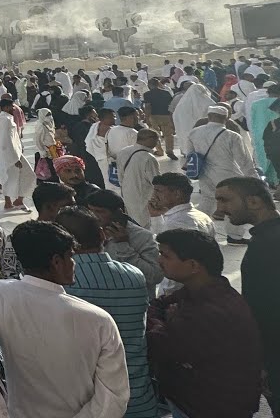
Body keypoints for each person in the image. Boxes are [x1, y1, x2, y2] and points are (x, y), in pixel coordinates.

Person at [0, 221, 129, 418]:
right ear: (56, 262)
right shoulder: (98, 319)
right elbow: (113, 397)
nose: (74, 263)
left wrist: (0, 410)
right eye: (70, 256)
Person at [53, 208, 159, 418]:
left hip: (85, 406)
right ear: (102, 235)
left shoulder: (59, 285)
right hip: (137, 399)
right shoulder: (134, 277)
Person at [147, 228, 264, 418]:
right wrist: (165, 317)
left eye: (166, 256)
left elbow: (159, 343)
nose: (159, 260)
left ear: (193, 265)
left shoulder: (211, 310)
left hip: (209, 406)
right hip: (197, 400)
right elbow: (159, 304)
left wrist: (164, 320)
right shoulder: (201, 291)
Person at [215, 176, 280, 411]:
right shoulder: (265, 238)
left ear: (253, 201)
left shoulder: (269, 243)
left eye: (225, 200)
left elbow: (265, 308)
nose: (220, 209)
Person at [187, 104, 254, 244]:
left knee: (207, 201)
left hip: (204, 174)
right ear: (226, 119)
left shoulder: (194, 133)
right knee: (233, 204)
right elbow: (244, 161)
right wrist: (254, 179)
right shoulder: (232, 136)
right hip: (228, 175)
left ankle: (196, 231)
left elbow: (190, 155)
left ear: (209, 116)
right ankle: (235, 236)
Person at [80, 191, 163, 293]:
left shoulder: (142, 236)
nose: (92, 215)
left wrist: (123, 246)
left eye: (99, 211)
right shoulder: (85, 232)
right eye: (89, 210)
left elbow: (154, 277)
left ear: (118, 213)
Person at [114, 129, 160, 229]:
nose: (158, 143)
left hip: (127, 194)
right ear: (149, 139)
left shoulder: (123, 152)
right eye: (157, 140)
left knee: (134, 224)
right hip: (144, 197)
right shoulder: (148, 158)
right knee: (146, 226)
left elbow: (120, 175)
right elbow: (157, 182)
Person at [0, 99, 31, 212]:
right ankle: (17, 201)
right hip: (10, 154)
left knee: (8, 178)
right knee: (28, 175)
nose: (14, 109)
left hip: (8, 153)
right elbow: (5, 140)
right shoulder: (5, 120)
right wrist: (15, 158)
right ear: (5, 107)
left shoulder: (3, 118)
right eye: (11, 106)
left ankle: (10, 202)